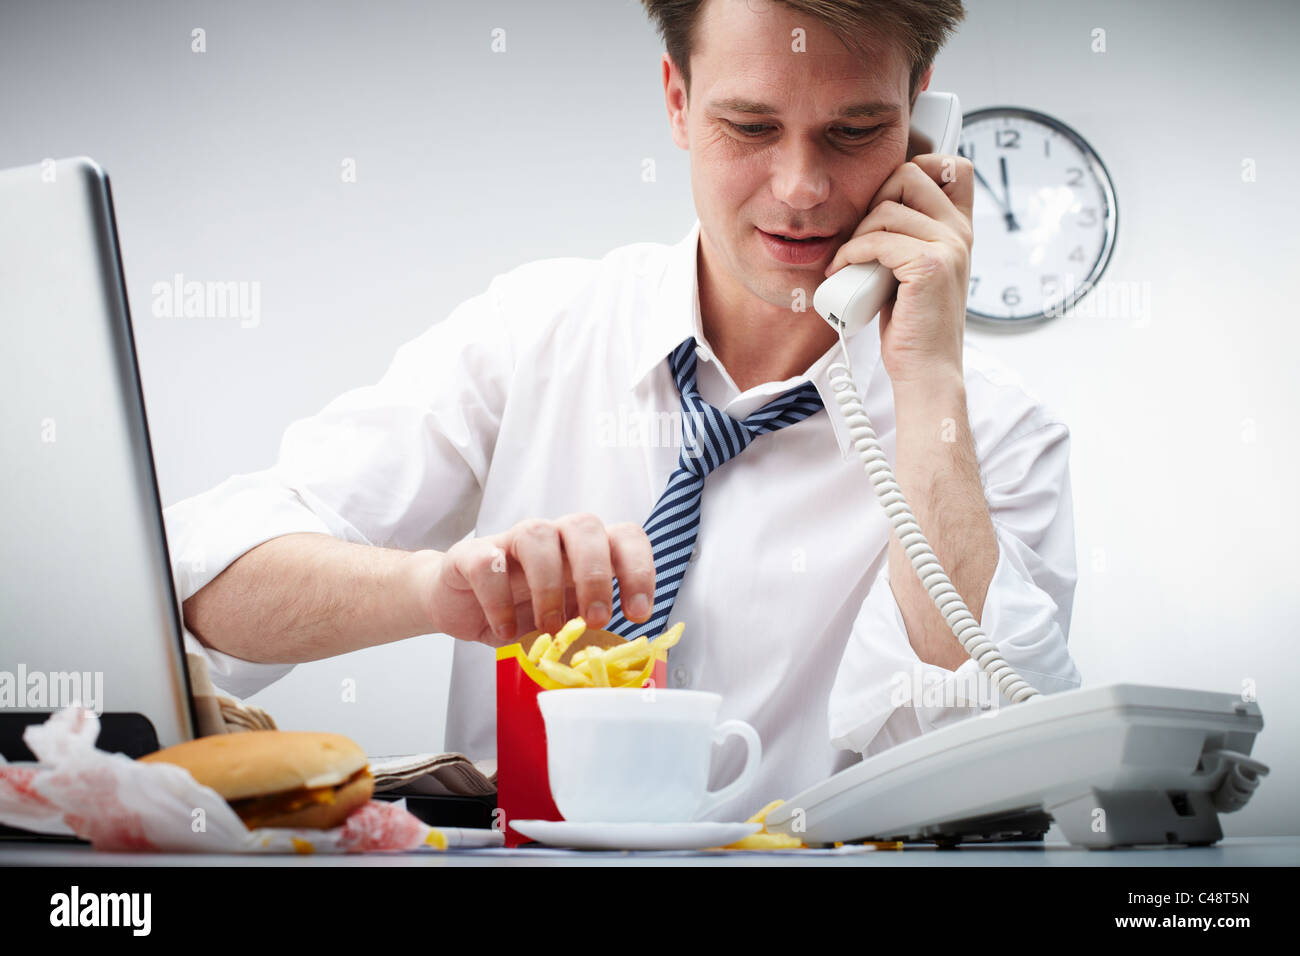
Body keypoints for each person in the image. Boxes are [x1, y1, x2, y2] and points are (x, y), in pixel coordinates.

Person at [165, 0, 1081, 820]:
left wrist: (924, 381)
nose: (801, 187)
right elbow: (198, 588)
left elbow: (996, 766)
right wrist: (431, 590)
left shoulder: (993, 433)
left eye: (855, 130)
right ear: (678, 100)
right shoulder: (533, 331)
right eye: (751, 125)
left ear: (921, 113)